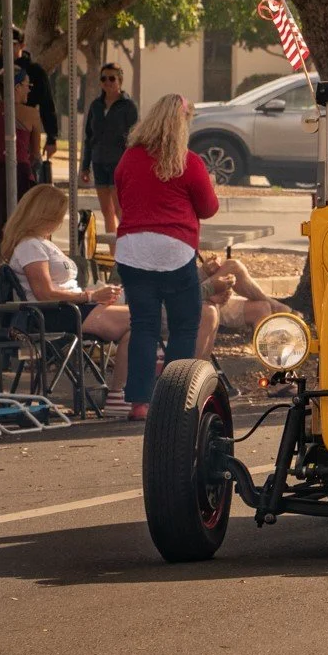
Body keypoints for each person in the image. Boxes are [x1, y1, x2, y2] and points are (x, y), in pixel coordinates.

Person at [113, 94, 220, 421]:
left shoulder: (129, 158)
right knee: (184, 325)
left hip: (133, 248)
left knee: (143, 325)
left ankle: (140, 403)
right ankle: (173, 401)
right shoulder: (187, 161)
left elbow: (121, 199)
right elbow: (208, 208)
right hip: (174, 249)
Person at [1, 185, 136, 415]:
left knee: (139, 323)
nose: (60, 221)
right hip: (56, 313)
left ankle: (121, 392)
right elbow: (45, 293)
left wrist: (92, 293)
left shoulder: (40, 243)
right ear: (46, 214)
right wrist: (90, 296)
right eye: (58, 215)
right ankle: (120, 393)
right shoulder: (29, 246)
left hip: (70, 307)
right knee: (140, 319)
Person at [0, 69, 45, 258]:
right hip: (21, 174)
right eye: (27, 85)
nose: (29, 90)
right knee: (25, 228)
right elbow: (36, 155)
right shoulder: (31, 114)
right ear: (16, 87)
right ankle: (21, 267)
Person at [0, 28, 59, 167]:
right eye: (4, 43)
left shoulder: (35, 71)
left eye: (13, 44)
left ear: (22, 45)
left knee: (24, 167)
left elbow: (47, 105)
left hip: (25, 132)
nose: (7, 47)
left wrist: (51, 138)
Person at [84, 62, 140, 242]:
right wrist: (85, 166)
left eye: (111, 78)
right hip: (99, 162)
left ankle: (126, 248)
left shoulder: (128, 106)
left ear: (120, 81)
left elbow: (134, 137)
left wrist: (131, 165)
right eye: (103, 78)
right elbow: (89, 137)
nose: (107, 82)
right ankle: (113, 252)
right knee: (106, 211)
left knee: (119, 209)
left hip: (119, 163)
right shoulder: (96, 106)